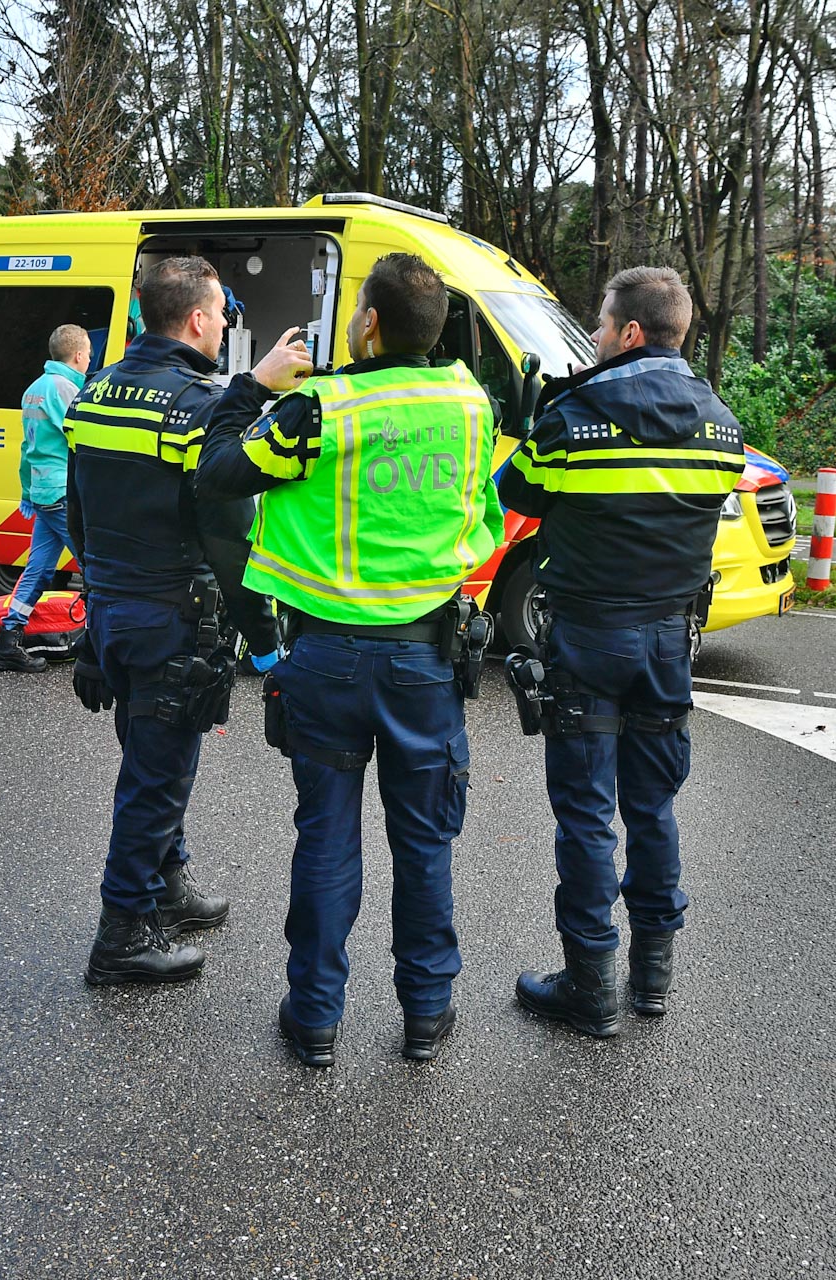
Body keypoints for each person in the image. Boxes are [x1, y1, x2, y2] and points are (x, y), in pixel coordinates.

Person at [197, 252, 502, 1067]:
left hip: (326, 658)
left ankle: (317, 1019)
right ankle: (426, 1018)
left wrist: (255, 383)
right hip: (425, 664)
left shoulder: (322, 408)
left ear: (368, 323)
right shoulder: (472, 405)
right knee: (424, 847)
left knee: (327, 841)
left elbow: (218, 471)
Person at [495, 266, 746, 1038]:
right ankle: (651, 983)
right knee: (654, 807)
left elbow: (515, 492)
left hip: (589, 639)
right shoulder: (722, 423)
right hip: (669, 642)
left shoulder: (577, 414)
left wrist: (549, 412)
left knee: (585, 813)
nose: (596, 337)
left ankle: (590, 985)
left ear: (630, 332)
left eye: (602, 326)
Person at [63, 255, 298, 986]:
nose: (227, 325)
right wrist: (266, 647)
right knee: (156, 778)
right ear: (197, 319)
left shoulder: (95, 390)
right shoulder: (196, 405)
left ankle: (168, 884)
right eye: (223, 314)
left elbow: (77, 514)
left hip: (113, 609)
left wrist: (89, 622)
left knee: (148, 759)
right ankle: (123, 935)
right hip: (172, 616)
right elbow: (230, 542)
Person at [0, 324, 91, 673]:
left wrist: (28, 491)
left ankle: (7, 640)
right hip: (63, 493)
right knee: (95, 565)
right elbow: (81, 439)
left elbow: (27, 448)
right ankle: (100, 647)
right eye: (89, 353)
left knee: (39, 570)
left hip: (44, 492)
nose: (89, 359)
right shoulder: (64, 389)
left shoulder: (34, 389)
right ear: (78, 355)